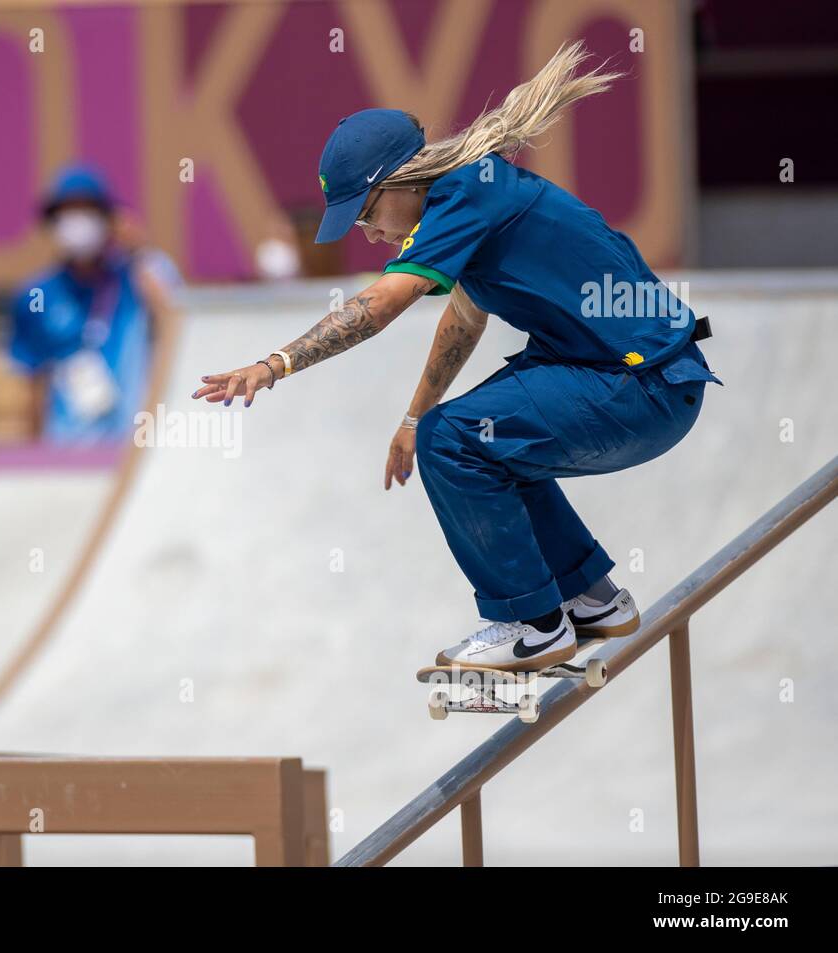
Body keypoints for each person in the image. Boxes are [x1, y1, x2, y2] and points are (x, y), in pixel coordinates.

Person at [191, 42, 721, 672]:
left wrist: (274, 364)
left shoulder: (464, 193)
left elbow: (384, 303)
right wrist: (415, 419)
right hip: (646, 381)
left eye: (366, 213)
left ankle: (532, 625)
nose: (370, 234)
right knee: (479, 444)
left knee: (458, 441)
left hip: (640, 387)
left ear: (401, 181)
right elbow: (464, 317)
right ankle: (591, 598)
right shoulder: (475, 196)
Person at [9, 165, 177, 443]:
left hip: (131, 447)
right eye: (68, 211)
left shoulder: (135, 277)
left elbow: (174, 317)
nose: (77, 222)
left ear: (107, 220)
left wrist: (139, 249)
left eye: (87, 210)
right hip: (64, 451)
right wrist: (35, 457)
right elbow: (33, 388)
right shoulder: (36, 295)